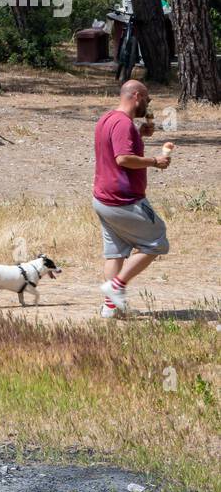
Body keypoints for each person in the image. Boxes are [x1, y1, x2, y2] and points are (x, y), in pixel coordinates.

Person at [92, 79, 172, 318]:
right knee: (157, 241)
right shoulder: (122, 124)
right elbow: (123, 159)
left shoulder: (108, 119)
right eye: (146, 99)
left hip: (103, 199)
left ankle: (111, 308)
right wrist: (154, 161)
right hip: (124, 200)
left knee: (115, 252)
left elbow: (117, 149)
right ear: (136, 96)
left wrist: (139, 135)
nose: (147, 104)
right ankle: (116, 286)